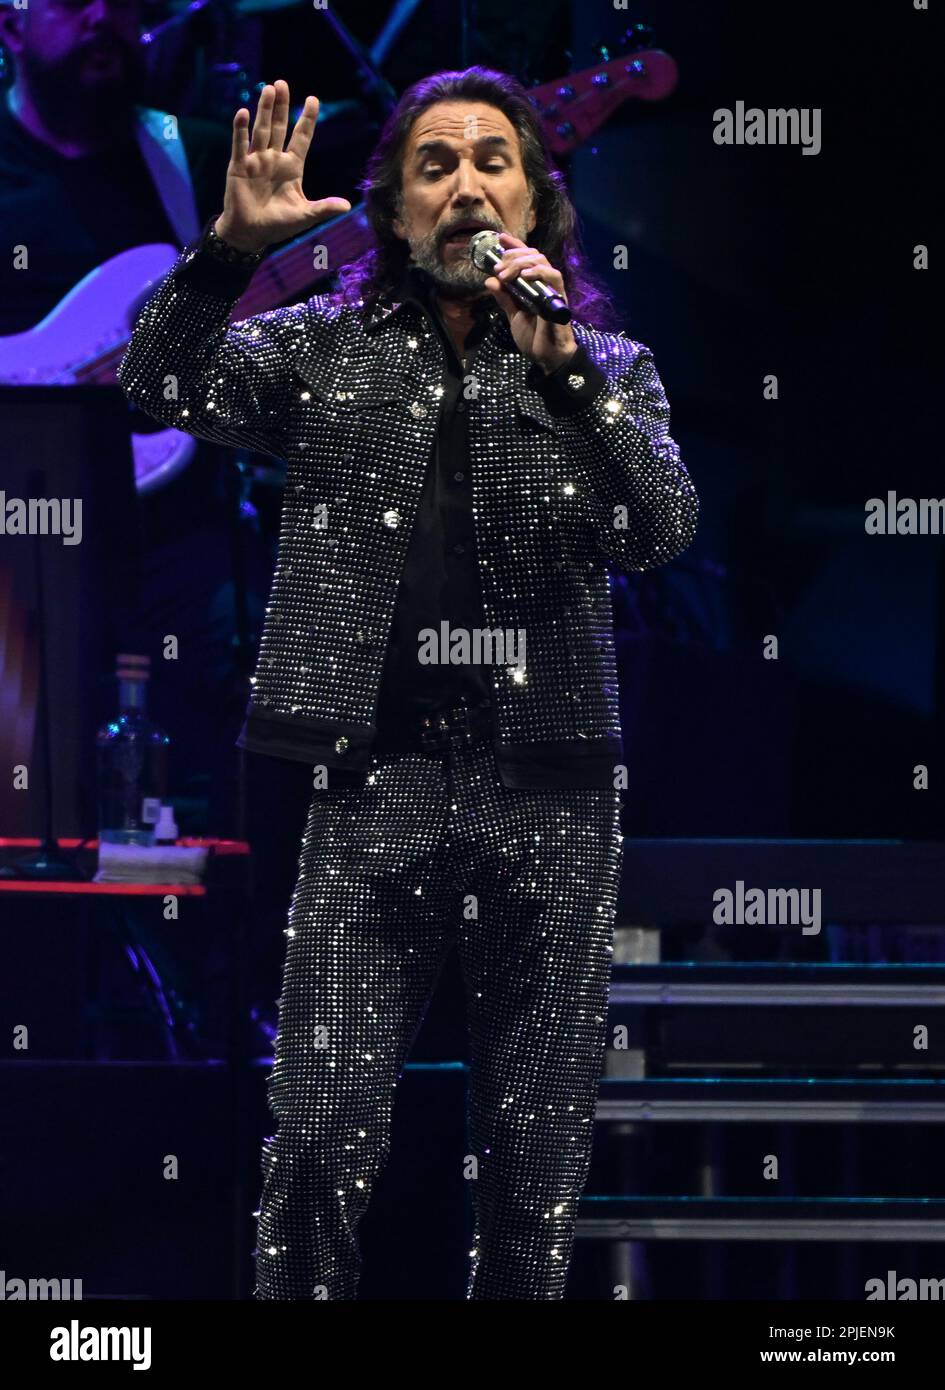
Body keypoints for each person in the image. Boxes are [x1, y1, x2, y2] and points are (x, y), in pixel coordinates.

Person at [118, 67, 699, 1300]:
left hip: (550, 793)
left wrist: (571, 375)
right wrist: (224, 252)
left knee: (533, 1160)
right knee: (322, 1140)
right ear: (391, 211)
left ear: (536, 207)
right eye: (436, 164)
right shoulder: (326, 351)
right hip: (368, 782)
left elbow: (661, 530)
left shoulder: (609, 368)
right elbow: (156, 389)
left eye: (496, 161)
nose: (468, 185)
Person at [0, 0, 271, 835]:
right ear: (10, 26)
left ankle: (205, 953)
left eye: (124, 2)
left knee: (197, 789)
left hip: (173, 550)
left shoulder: (191, 163)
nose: (103, 16)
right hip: (18, 548)